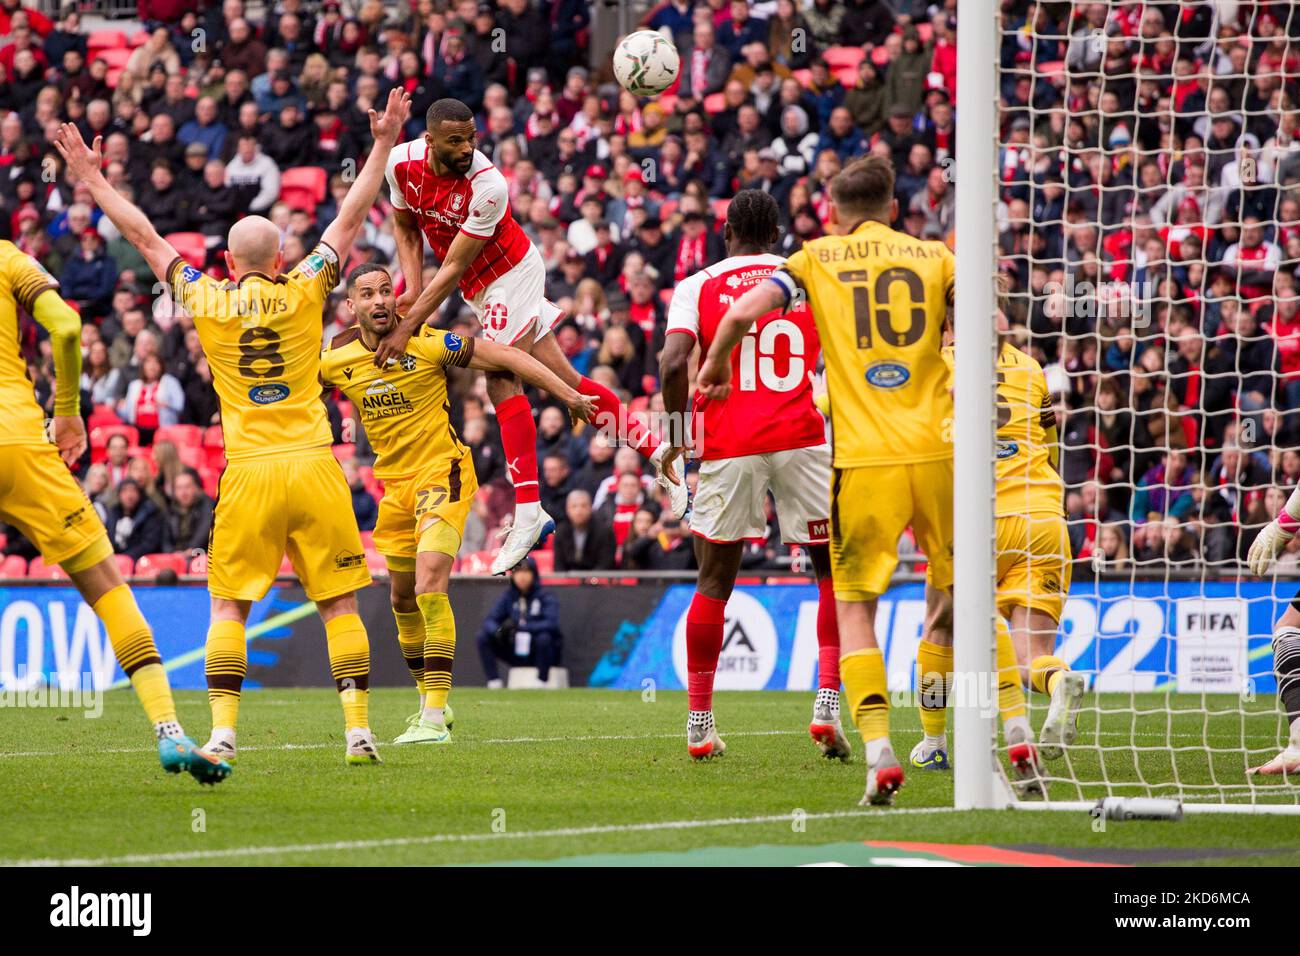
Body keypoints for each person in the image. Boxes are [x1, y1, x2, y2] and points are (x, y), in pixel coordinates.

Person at [55, 88, 413, 767]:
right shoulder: (307, 285)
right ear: (279, 261)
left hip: (248, 470)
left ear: (227, 263)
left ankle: (221, 734)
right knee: (339, 604)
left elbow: (143, 235)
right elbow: (350, 214)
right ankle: (357, 730)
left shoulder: (207, 296)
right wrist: (384, 141)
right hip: (314, 463)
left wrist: (93, 176)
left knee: (228, 607)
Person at [699, 156, 955, 807]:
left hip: (860, 459)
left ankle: (878, 752)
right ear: (894, 208)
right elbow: (985, 324)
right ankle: (1007, 735)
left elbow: (737, 318)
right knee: (957, 603)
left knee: (853, 604)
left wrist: (714, 372)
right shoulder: (935, 256)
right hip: (935, 451)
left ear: (832, 212)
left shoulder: (815, 261)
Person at [376, 98, 687, 577]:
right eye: (455, 140)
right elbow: (405, 225)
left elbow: (454, 264)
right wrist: (411, 285)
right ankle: (660, 452)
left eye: (472, 137)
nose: (467, 148)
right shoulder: (400, 163)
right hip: (479, 289)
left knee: (500, 377)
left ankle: (529, 509)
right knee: (570, 380)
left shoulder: (488, 184)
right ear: (429, 139)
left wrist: (407, 323)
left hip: (510, 272)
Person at [320, 263, 594, 744]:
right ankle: (430, 702)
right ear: (352, 306)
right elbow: (291, 390)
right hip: (394, 488)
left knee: (429, 584)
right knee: (401, 597)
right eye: (368, 294)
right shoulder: (335, 361)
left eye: (387, 290)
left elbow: (505, 357)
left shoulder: (427, 342)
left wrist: (568, 392)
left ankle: (433, 717)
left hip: (442, 473)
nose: (381, 300)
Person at [0, 236, 227, 784]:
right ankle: (170, 732)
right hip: (18, 444)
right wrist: (69, 414)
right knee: (109, 591)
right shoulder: (7, 256)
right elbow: (69, 327)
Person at [660, 189, 846, 761]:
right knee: (830, 570)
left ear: (725, 231)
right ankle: (828, 702)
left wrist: (675, 437)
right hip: (801, 436)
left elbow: (671, 362)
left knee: (714, 580)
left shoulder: (698, 285)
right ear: (778, 234)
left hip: (729, 442)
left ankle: (698, 722)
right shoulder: (805, 277)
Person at [475, 556, 563, 689]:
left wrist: (524, 628)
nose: (522, 576)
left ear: (534, 574)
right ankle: (494, 681)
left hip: (537, 649)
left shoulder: (545, 595)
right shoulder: (509, 596)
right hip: (516, 648)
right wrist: (500, 631)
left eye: (526, 572)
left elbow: (551, 623)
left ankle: (542, 681)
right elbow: (490, 620)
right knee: (483, 637)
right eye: (517, 572)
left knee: (544, 638)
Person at [553, 488, 615, 571]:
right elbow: (558, 565)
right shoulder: (560, 531)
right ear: (567, 509)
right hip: (568, 580)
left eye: (583, 506)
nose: (579, 511)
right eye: (574, 506)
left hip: (597, 580)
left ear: (591, 508)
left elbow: (605, 564)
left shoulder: (605, 531)